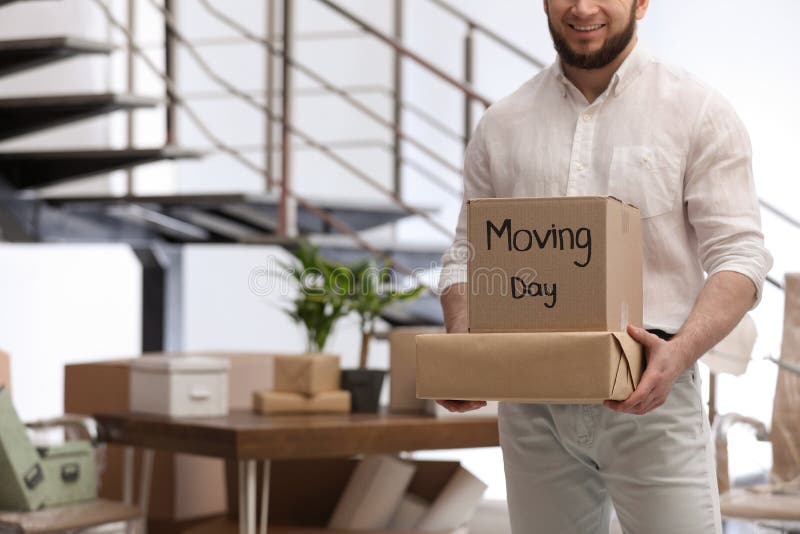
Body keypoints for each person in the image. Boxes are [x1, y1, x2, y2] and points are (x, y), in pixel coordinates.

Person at [435, 1, 773, 533]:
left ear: (641, 2)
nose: (582, 7)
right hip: (532, 402)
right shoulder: (503, 124)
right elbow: (465, 254)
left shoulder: (697, 110)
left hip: (653, 389)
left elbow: (740, 255)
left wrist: (679, 353)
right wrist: (461, 340)